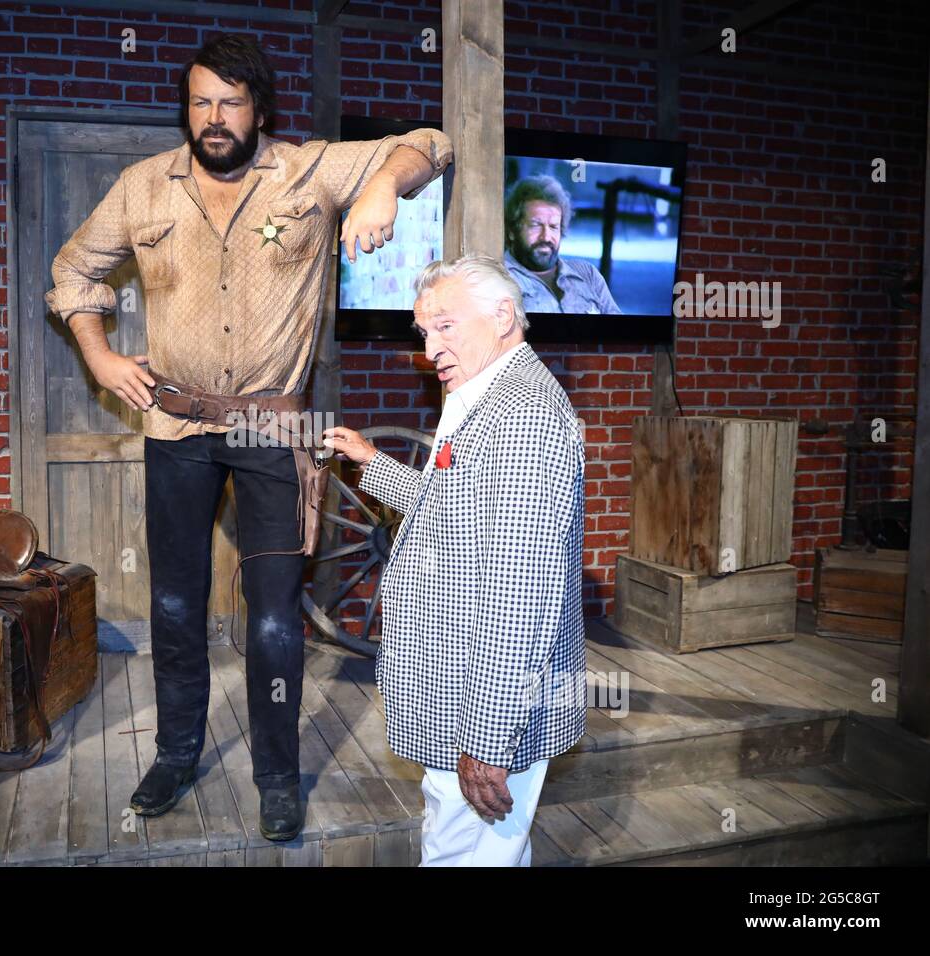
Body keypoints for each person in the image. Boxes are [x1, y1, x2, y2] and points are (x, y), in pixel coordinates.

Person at [45, 34, 452, 842]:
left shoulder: (307, 169)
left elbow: (430, 144)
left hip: (273, 428)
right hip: (174, 423)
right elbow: (72, 271)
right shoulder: (142, 187)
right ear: (186, 109)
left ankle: (274, 776)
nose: (215, 118)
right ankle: (176, 752)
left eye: (231, 102)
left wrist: (380, 192)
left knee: (272, 616)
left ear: (258, 109)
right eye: (201, 102)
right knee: (174, 602)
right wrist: (98, 357)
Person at [322, 254, 586, 866]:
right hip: (463, 690)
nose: (431, 346)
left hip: (489, 709)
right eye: (424, 332)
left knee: (463, 852)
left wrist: (489, 741)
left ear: (501, 315)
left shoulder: (522, 418)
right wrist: (373, 462)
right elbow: (456, 515)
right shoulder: (486, 390)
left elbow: (522, 598)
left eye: (445, 325)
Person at [504, 175, 621, 315]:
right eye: (535, 225)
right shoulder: (497, 280)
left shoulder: (588, 274)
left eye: (553, 227)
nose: (546, 237)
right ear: (512, 230)